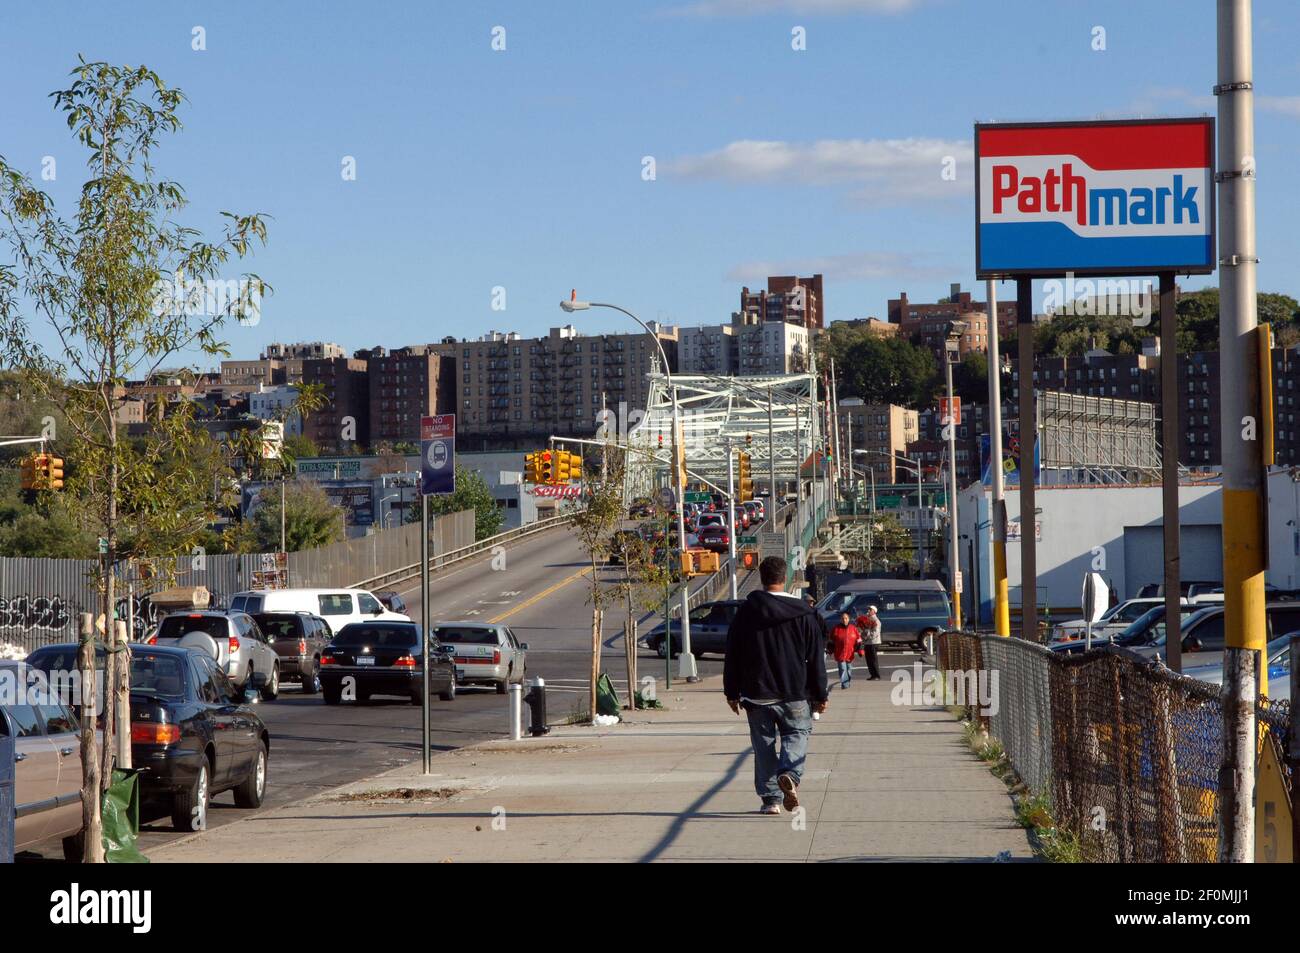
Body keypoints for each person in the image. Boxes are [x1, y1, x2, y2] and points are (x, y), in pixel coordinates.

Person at [724, 555, 829, 815]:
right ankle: (790, 775)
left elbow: (733, 654)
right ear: (786, 579)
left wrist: (732, 692)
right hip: (794, 691)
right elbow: (816, 657)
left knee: (764, 746)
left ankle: (771, 800)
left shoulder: (745, 613)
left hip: (756, 693)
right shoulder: (805, 614)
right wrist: (820, 694)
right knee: (797, 734)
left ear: (761, 578)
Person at [828, 611, 860, 690]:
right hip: (840, 653)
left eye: (846, 618)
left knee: (849, 669)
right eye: (842, 618)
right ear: (840, 620)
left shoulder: (853, 629)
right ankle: (845, 685)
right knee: (842, 669)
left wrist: (860, 650)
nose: (844, 620)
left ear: (849, 619)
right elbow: (831, 641)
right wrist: (830, 650)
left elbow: (858, 641)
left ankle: (847, 682)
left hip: (850, 653)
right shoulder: (836, 629)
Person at [855, 605, 882, 680]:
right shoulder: (867, 619)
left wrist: (866, 636)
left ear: (874, 611)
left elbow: (875, 633)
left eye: (870, 609)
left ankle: (876, 675)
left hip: (873, 642)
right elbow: (864, 630)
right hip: (868, 642)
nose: (868, 610)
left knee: (873, 659)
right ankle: (872, 675)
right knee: (868, 660)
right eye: (868, 609)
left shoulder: (876, 621)